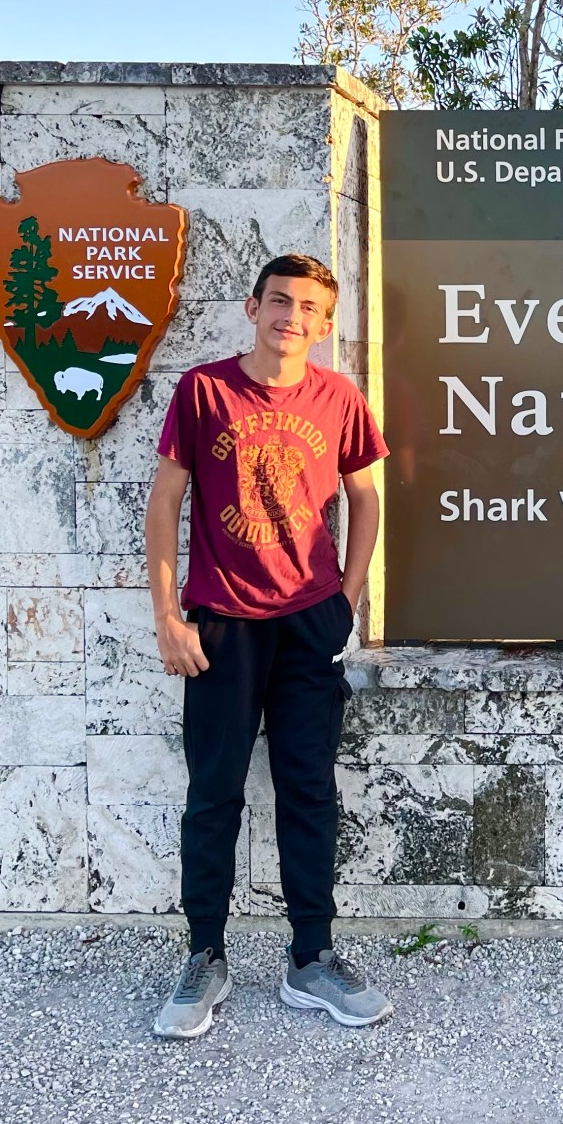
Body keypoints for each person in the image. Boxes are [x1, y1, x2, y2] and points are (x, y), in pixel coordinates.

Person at [144, 254, 392, 1039]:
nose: (292, 316)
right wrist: (166, 618)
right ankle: (204, 957)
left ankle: (311, 959)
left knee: (308, 791)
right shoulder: (205, 391)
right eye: (280, 301)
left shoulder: (338, 396)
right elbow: (165, 502)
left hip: (309, 622)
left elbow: (364, 495)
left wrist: (346, 599)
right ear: (253, 307)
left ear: (324, 326)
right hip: (220, 624)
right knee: (213, 794)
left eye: (309, 308)